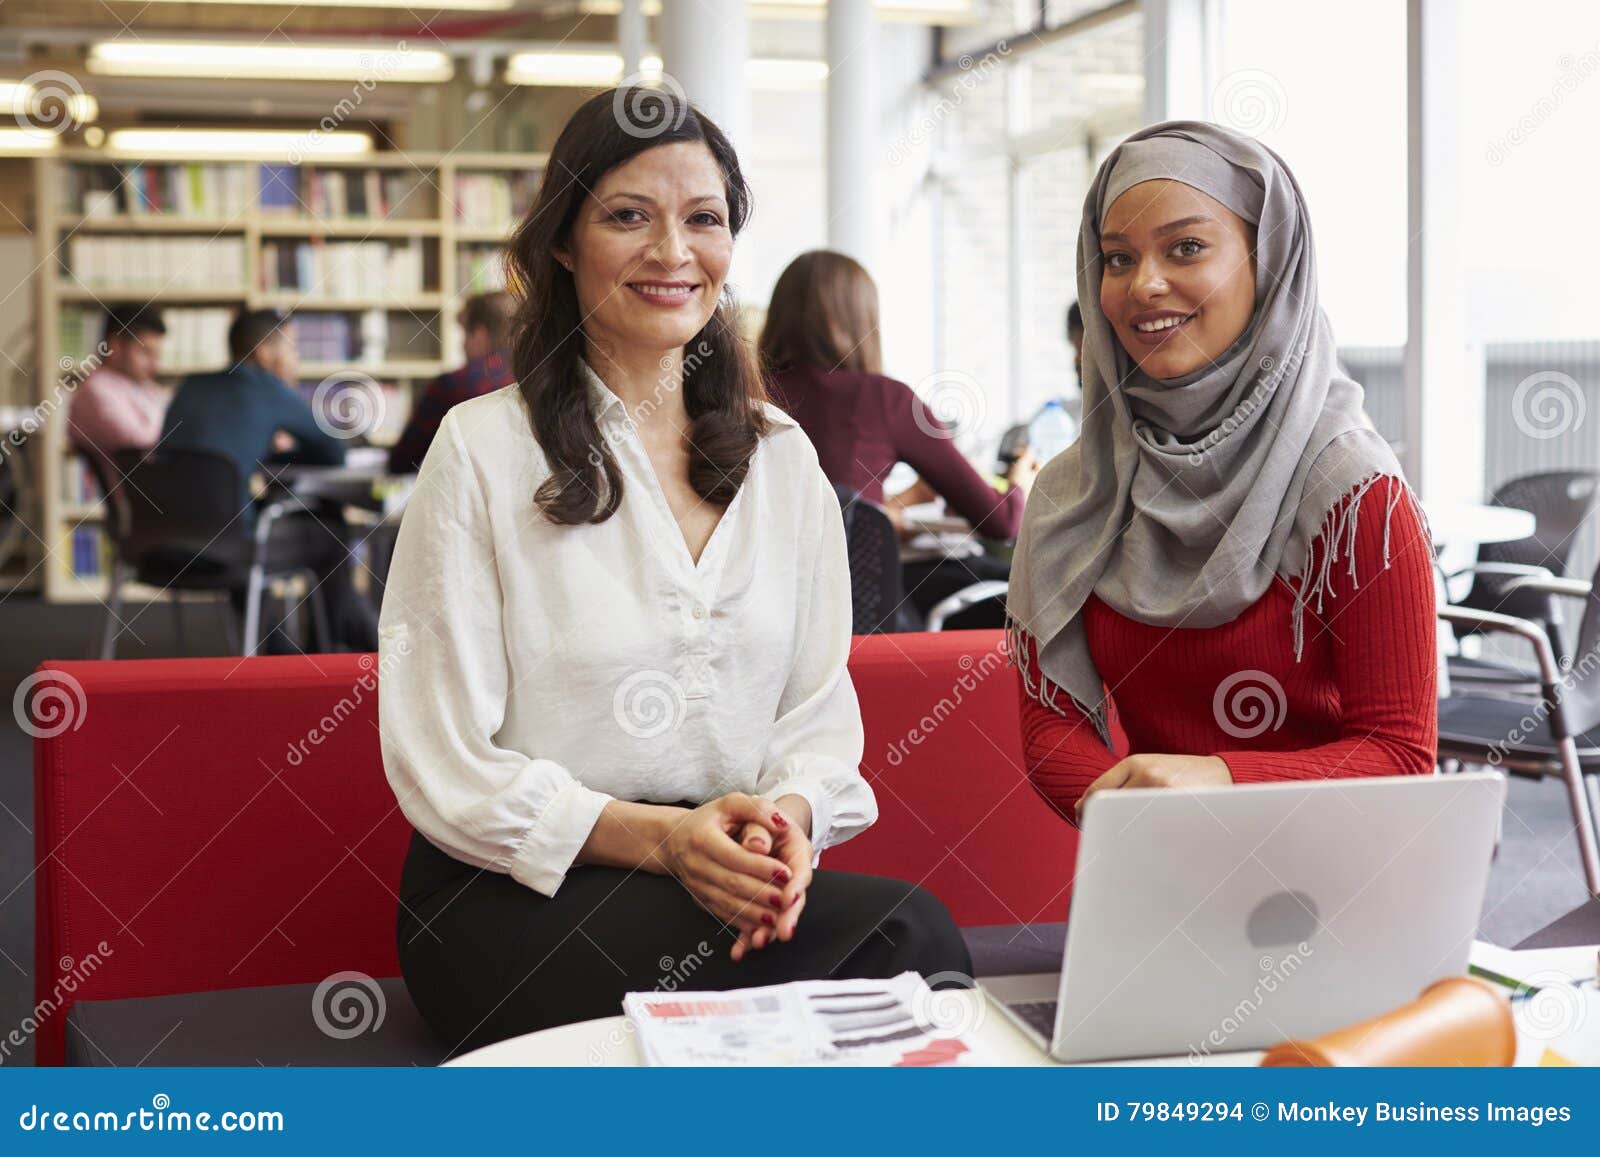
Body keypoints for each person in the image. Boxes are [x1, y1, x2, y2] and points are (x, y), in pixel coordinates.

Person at [379, 87, 971, 1055]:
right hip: (515, 896)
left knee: (900, 958)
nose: (672, 252)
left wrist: (783, 827)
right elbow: (443, 757)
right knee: (907, 939)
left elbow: (817, 722)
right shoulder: (482, 451)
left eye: (703, 219)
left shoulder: (781, 460)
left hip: (720, 867)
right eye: (627, 216)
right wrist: (663, 841)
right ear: (562, 245)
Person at [1007, 121, 1437, 825]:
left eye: (1186, 247)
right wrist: (1144, 821)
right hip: (1153, 877)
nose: (1143, 284)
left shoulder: (1355, 494)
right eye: (1116, 259)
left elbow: (1399, 754)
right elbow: (1050, 727)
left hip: (1337, 883)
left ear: (1268, 266)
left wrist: (1222, 781)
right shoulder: (1074, 490)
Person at [760, 249, 1036, 540]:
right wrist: (1022, 483)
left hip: (763, 584)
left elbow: (827, 516)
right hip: (849, 585)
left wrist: (908, 498)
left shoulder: (747, 395)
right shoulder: (884, 399)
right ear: (862, 320)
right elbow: (1002, 522)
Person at [161, 310, 378, 653]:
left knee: (237, 515)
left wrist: (263, 452)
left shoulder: (191, 385)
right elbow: (332, 453)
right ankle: (343, 635)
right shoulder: (267, 388)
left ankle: (284, 649)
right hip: (233, 544)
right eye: (291, 348)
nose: (296, 358)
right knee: (331, 526)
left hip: (166, 539)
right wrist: (284, 449)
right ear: (264, 352)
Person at [386, 292, 516, 474]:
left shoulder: (452, 385)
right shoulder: (540, 380)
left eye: (464, 334)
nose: (461, 345)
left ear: (479, 335)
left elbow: (402, 461)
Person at [67, 304, 171, 482]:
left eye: (157, 355)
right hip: (142, 497)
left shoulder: (141, 388)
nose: (155, 366)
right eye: (145, 352)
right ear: (114, 346)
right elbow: (137, 444)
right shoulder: (95, 391)